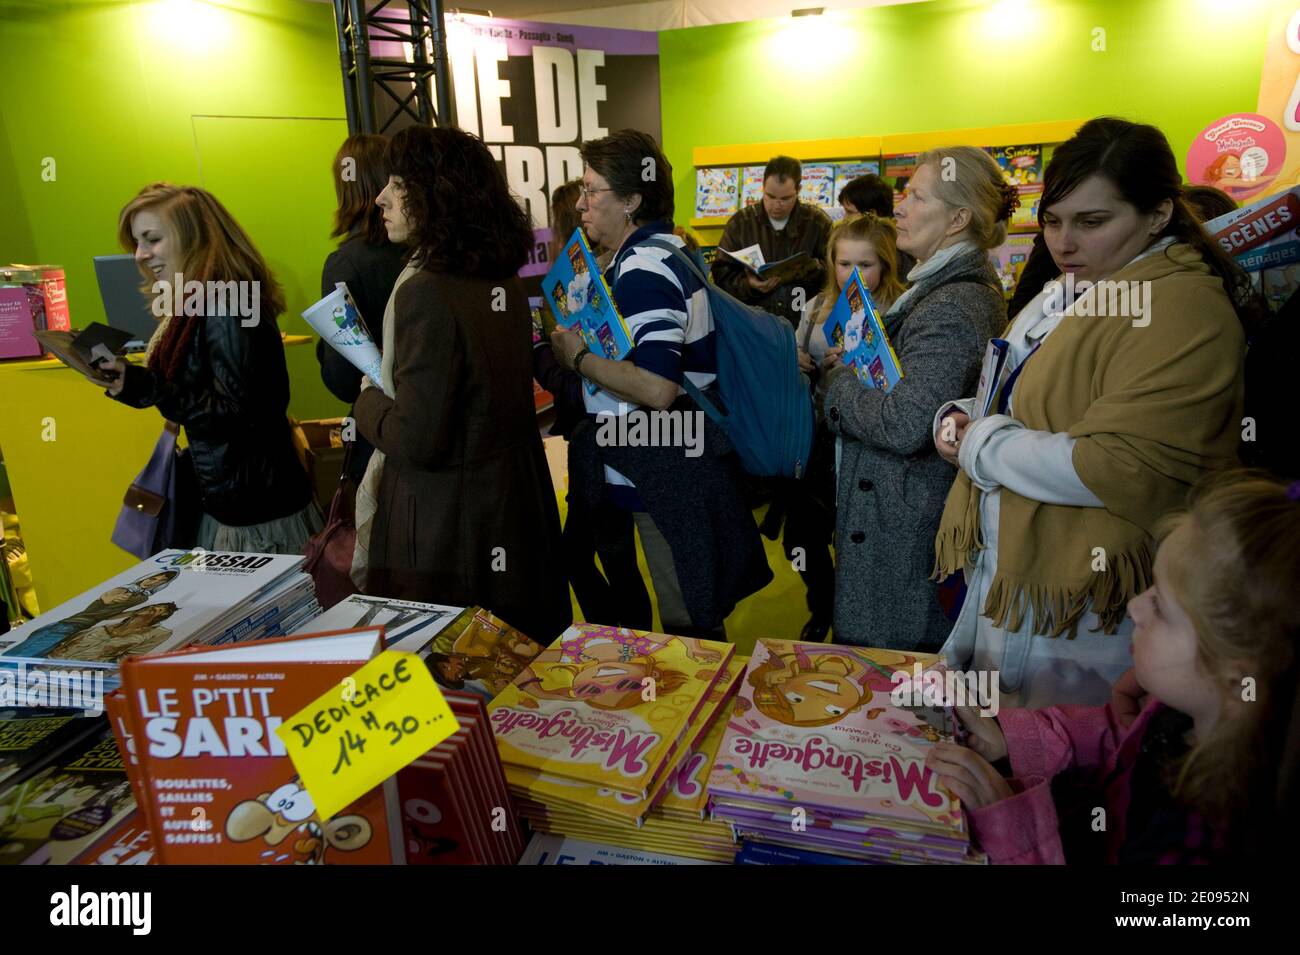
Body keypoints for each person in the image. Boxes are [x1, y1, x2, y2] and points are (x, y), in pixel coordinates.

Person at [933, 118, 1251, 708]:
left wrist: (981, 442)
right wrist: (963, 417)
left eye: (1092, 222)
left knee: (1060, 764)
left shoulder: (1179, 305)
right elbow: (1017, 392)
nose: (1063, 243)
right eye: (1052, 221)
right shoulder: (1075, 287)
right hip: (1023, 589)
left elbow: (1123, 464)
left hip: (1085, 612)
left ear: (1157, 215)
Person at [928, 471, 1300, 863]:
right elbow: (1112, 744)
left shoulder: (1211, 840)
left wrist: (1017, 828)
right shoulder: (1175, 715)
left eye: (1162, 608)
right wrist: (1008, 740)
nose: (1136, 607)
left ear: (1234, 678)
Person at [351, 125, 571, 644]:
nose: (380, 197)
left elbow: (418, 439)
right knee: (516, 676)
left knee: (459, 678)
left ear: (436, 193)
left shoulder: (426, 289)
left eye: (397, 184)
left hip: (450, 530)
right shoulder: (499, 277)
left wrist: (367, 401)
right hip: (513, 509)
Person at [553, 129, 772, 638]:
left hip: (662, 466)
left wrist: (578, 356)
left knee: (685, 620)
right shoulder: (667, 252)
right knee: (685, 607)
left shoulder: (644, 266)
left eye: (592, 191)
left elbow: (657, 388)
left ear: (631, 200)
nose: (582, 204)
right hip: (663, 459)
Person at [821, 148, 1009, 652]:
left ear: (958, 218)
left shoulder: (951, 303)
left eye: (916, 196)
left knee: (888, 684)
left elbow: (906, 422)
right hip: (894, 518)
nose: (899, 208)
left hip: (903, 528)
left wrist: (838, 385)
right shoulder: (934, 289)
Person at [103, 184, 319, 553]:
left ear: (193, 236)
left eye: (151, 239)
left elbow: (236, 415)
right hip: (239, 504)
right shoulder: (205, 299)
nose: (140, 254)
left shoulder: (227, 303)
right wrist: (136, 384)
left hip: (256, 516)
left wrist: (147, 386)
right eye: (137, 242)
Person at [532, 179, 651, 630]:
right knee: (599, 553)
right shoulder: (594, 278)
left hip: (600, 439)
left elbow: (572, 380)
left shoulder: (595, 282)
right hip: (601, 439)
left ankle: (624, 640)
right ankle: (624, 637)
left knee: (603, 554)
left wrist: (543, 350)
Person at [787, 212, 907, 641]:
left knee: (861, 539)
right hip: (820, 438)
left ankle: (858, 620)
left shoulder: (901, 309)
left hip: (873, 444)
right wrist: (802, 367)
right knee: (802, 538)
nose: (852, 274)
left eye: (865, 265)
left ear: (886, 265)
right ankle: (823, 603)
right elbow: (798, 369)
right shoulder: (817, 307)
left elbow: (906, 391)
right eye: (843, 263)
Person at [316, 134, 408, 481]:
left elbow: (342, 378)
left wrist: (323, 354)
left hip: (379, 437)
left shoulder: (344, 264)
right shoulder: (426, 252)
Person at [710, 155, 832, 329]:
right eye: (770, 196)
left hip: (806, 325)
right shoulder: (740, 223)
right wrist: (749, 285)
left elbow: (835, 274)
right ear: (762, 187)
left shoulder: (818, 223)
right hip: (753, 326)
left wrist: (810, 269)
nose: (777, 205)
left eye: (785, 199)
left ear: (798, 190)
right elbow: (721, 276)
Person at [3, 570, 177, 659]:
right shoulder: (124, 590)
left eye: (161, 581)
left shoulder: (140, 598)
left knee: (36, 660)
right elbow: (107, 599)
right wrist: (117, 597)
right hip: (66, 626)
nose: (152, 581)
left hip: (77, 631)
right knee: (21, 658)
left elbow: (111, 615)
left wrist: (144, 612)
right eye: (154, 577)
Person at [838, 172, 917, 276]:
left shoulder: (894, 252)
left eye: (850, 212)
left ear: (872, 214)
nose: (844, 219)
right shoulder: (900, 243)